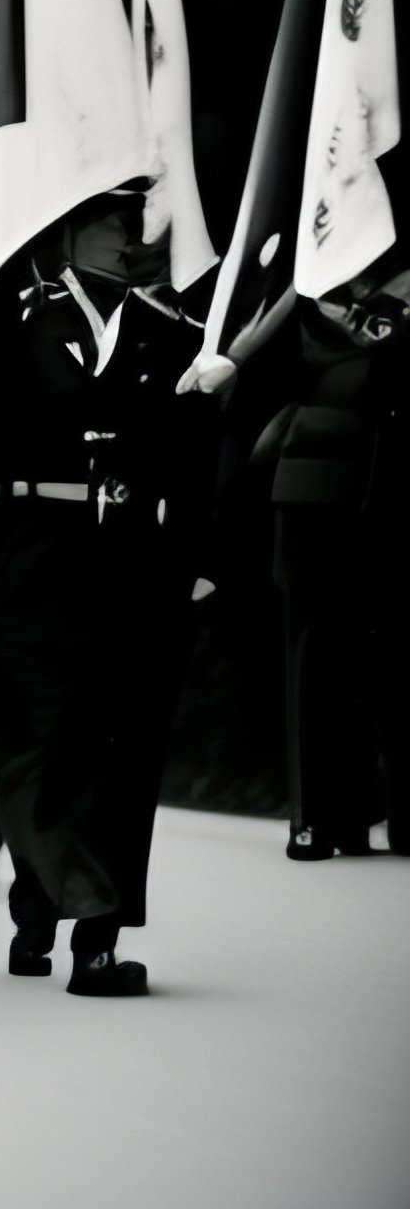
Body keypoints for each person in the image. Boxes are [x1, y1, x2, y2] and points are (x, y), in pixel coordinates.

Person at [0, 185, 219, 995]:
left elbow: (201, 465)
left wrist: (199, 559)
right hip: (28, 560)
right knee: (35, 743)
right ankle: (61, 897)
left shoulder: (174, 340)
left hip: (136, 563)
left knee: (119, 750)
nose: (127, 238)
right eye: (108, 222)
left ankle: (94, 936)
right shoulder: (1, 332)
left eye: (132, 225)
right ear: (62, 233)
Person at [219, 257, 409, 862]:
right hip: (315, 477)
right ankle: (318, 817)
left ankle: (367, 815)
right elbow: (254, 390)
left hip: (377, 474)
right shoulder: (303, 278)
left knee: (385, 652)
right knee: (316, 649)